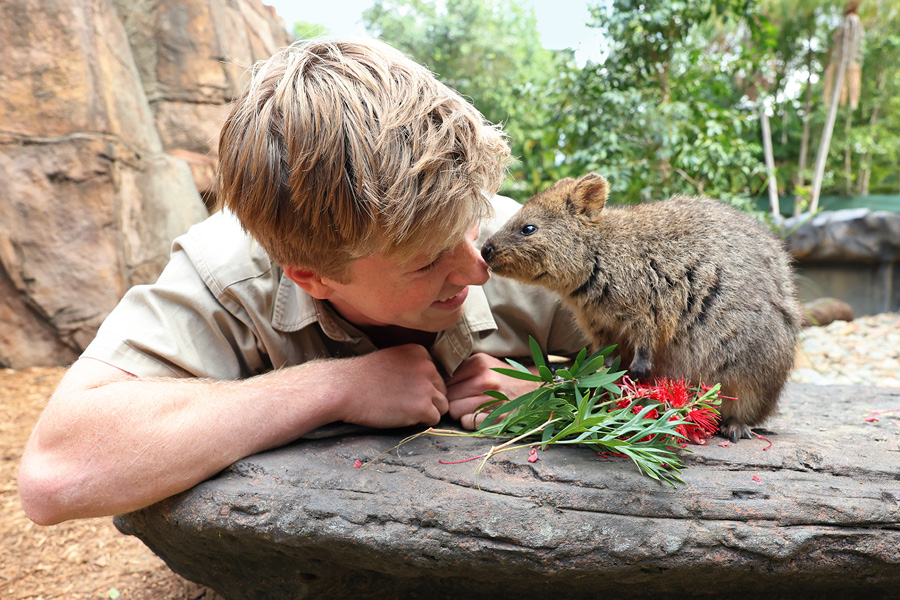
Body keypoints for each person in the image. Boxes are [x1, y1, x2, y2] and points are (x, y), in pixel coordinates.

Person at [18, 38, 587, 525]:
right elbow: (55, 476)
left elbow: (673, 378)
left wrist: (560, 399)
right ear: (310, 276)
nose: (477, 268)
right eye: (426, 261)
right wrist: (333, 387)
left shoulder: (523, 246)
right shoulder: (228, 269)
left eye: (470, 224)